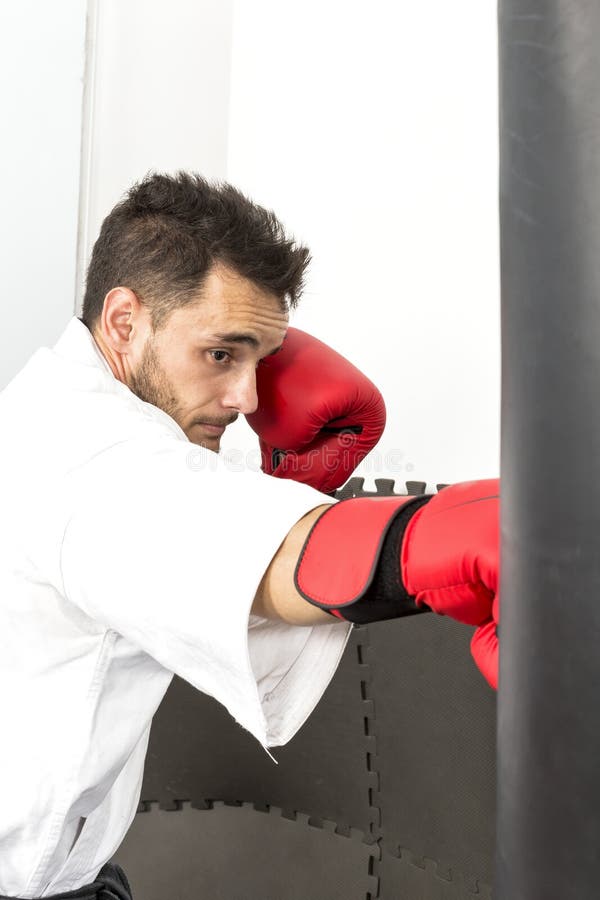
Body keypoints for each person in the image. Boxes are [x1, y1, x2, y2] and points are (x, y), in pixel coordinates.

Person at [0, 172, 498, 900]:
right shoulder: (89, 456)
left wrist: (286, 476)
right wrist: (452, 538)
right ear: (123, 321)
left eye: (262, 360)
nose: (249, 398)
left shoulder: (70, 405)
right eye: (223, 354)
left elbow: (190, 506)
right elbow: (273, 555)